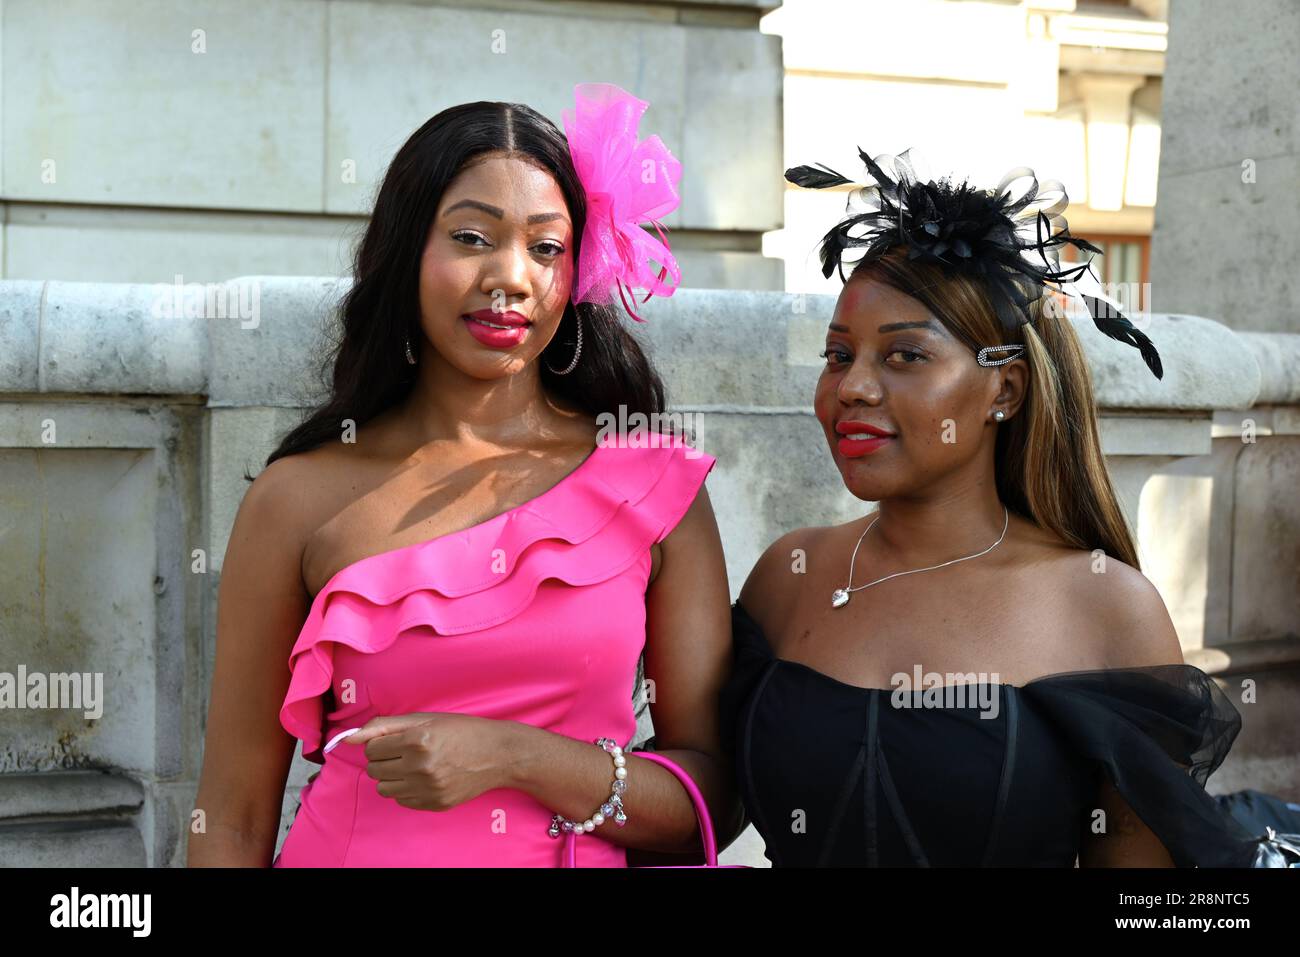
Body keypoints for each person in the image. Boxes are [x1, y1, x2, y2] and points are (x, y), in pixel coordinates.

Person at [189, 83, 739, 867]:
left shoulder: (654, 488)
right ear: (406, 251)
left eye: (546, 247)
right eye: (473, 237)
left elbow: (709, 803)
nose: (510, 276)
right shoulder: (296, 498)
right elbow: (232, 817)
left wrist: (518, 755)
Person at [719, 148, 1277, 867]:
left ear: (1004, 390)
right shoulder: (788, 574)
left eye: (905, 356)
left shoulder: (1104, 605)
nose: (852, 387)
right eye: (838, 355)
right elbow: (706, 802)